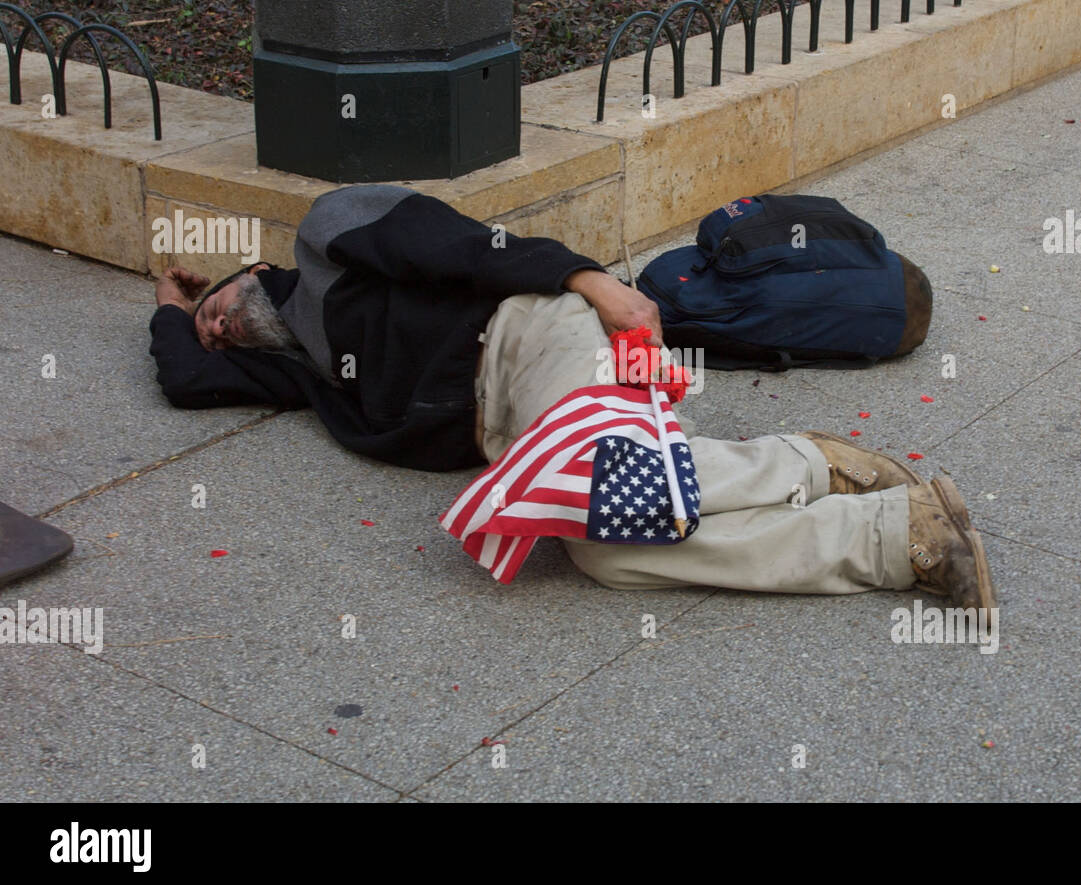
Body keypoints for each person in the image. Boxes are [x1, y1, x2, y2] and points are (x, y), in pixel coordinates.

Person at [150, 185, 993, 609]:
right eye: (214, 329)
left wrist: (597, 286)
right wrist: (174, 309)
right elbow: (187, 381)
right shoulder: (292, 367)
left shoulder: (328, 235)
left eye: (219, 309)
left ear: (254, 270)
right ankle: (895, 538)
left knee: (605, 482)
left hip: (535, 331)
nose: (218, 329)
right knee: (608, 552)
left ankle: (804, 462)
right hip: (513, 437)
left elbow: (468, 244)